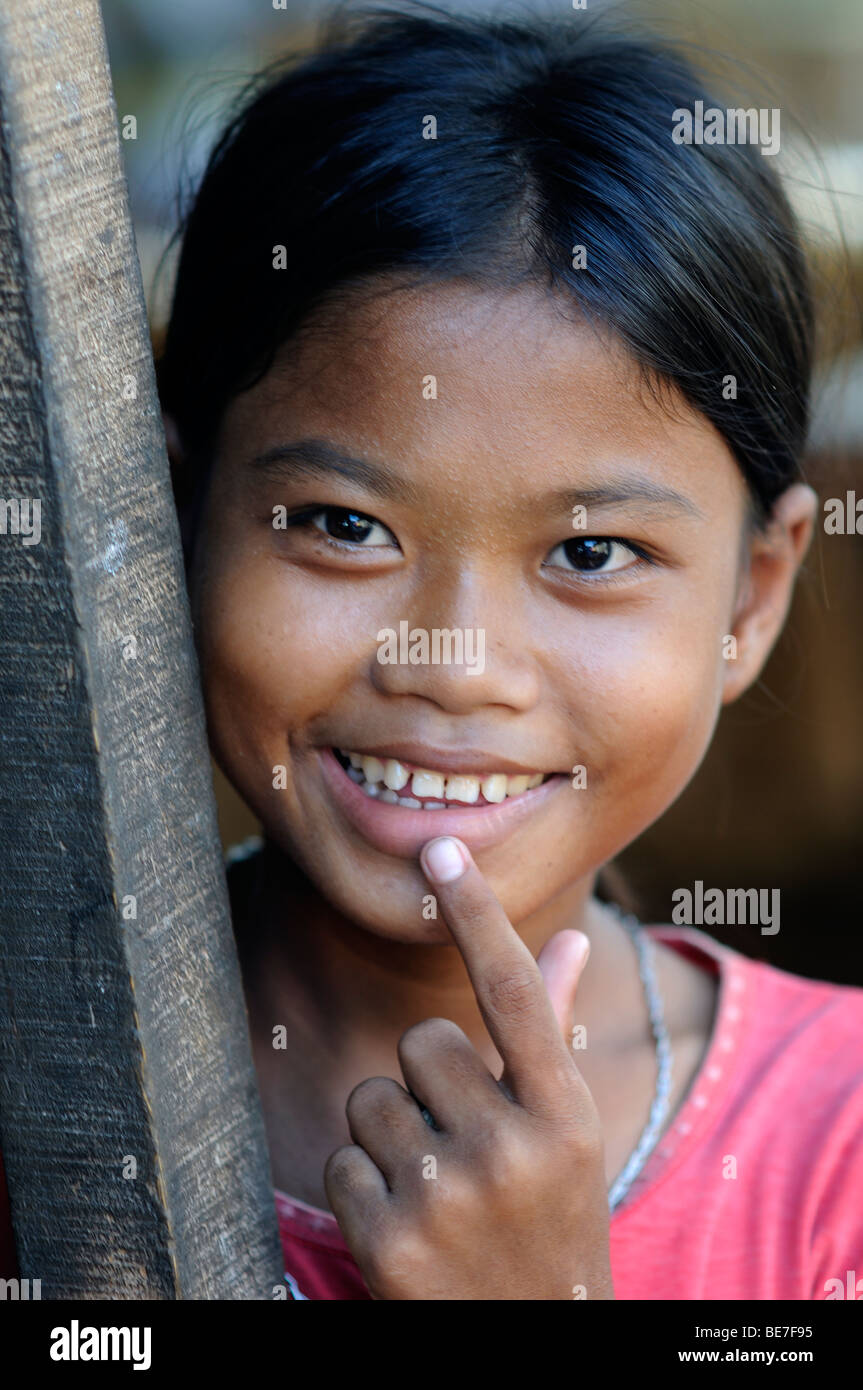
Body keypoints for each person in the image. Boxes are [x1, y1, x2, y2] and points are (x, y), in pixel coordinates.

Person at [3, 3, 859, 1300]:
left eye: (590, 553)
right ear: (171, 521)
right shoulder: (33, 1080)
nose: (453, 662)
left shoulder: (833, 1154)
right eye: (344, 526)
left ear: (753, 598)